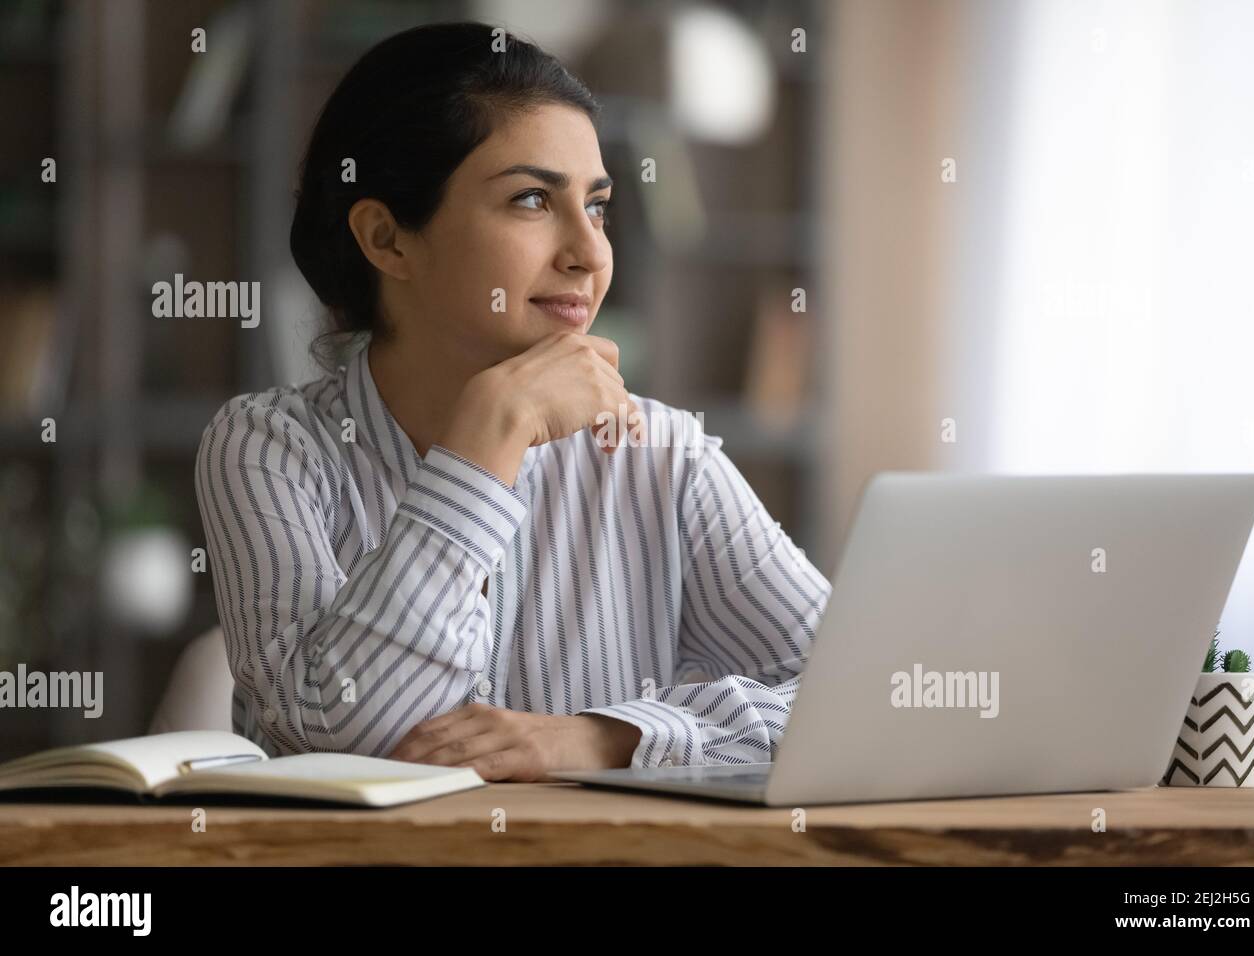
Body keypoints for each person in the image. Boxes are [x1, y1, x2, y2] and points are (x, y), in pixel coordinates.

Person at [195, 21, 830, 782]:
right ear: (388, 239)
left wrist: (607, 739)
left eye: (596, 206)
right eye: (532, 199)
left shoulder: (661, 458)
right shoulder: (268, 447)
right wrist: (485, 445)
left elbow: (870, 701)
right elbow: (344, 737)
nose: (590, 253)